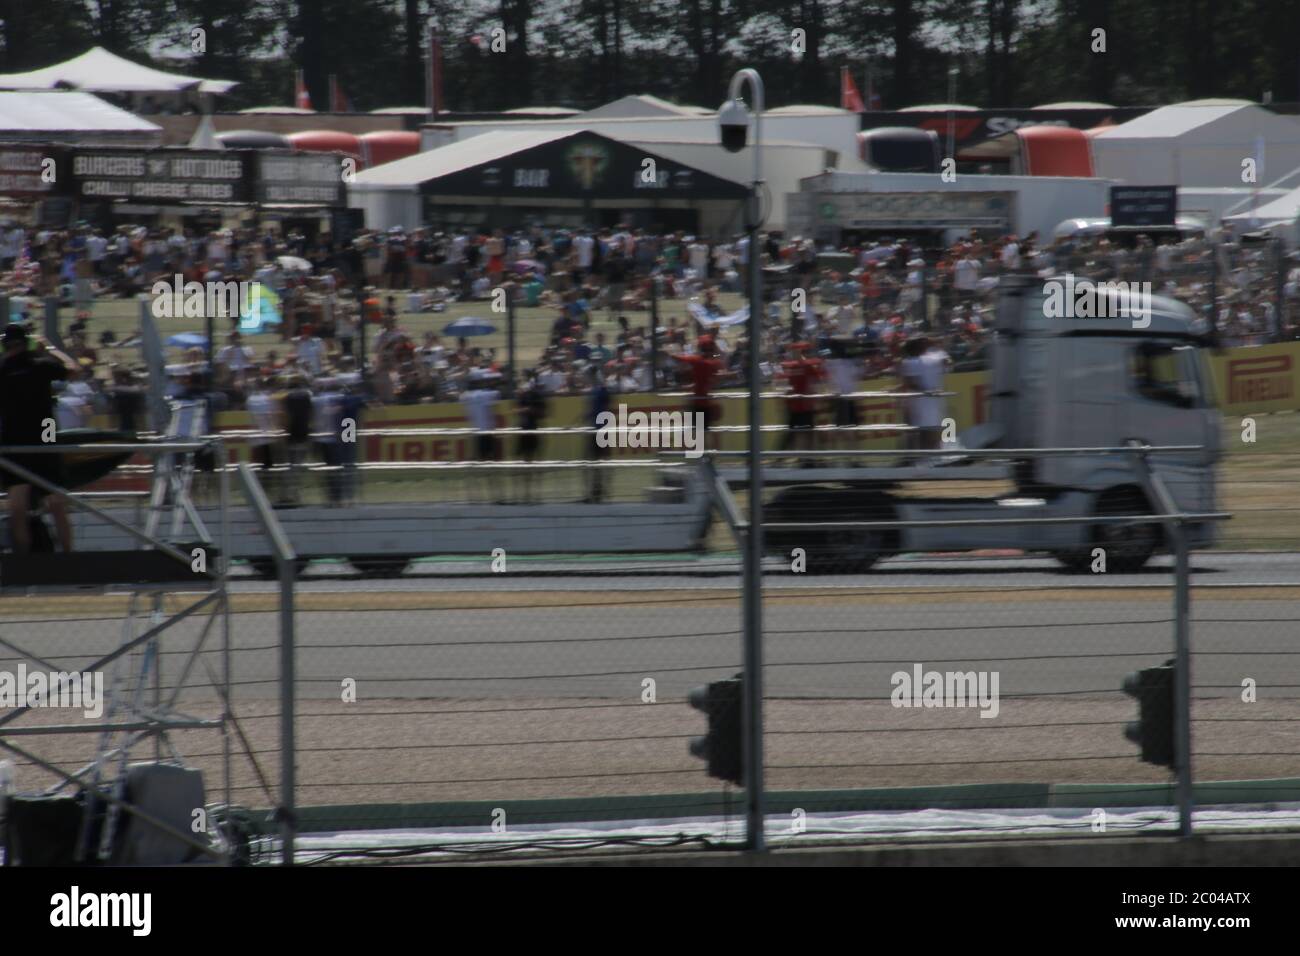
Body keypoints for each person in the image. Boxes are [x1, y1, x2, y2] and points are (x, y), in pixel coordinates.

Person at [0, 324, 77, 552]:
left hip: (13, 437)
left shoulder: (2, 368)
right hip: (46, 431)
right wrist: (51, 349)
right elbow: (73, 369)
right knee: (56, 503)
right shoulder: (41, 364)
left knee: (18, 508)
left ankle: (25, 563)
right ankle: (70, 557)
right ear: (29, 343)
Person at [899, 335, 950, 455]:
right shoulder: (935, 358)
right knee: (931, 433)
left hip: (919, 403)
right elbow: (947, 362)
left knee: (922, 434)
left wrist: (926, 391)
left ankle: (925, 460)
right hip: (931, 401)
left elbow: (911, 383)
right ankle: (933, 458)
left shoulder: (910, 362)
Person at [461, 370, 503, 502]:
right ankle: (495, 496)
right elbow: (497, 395)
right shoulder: (487, 394)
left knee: (475, 465)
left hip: (475, 432)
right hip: (487, 433)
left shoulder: (466, 396)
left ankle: (473, 496)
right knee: (490, 465)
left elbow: (463, 397)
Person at [514, 369, 548, 504]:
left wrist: (530, 410)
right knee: (525, 463)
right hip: (524, 430)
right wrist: (525, 410)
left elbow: (544, 413)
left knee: (536, 463)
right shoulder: (522, 394)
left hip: (534, 430)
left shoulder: (538, 395)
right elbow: (516, 410)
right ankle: (526, 495)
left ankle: (536, 495)